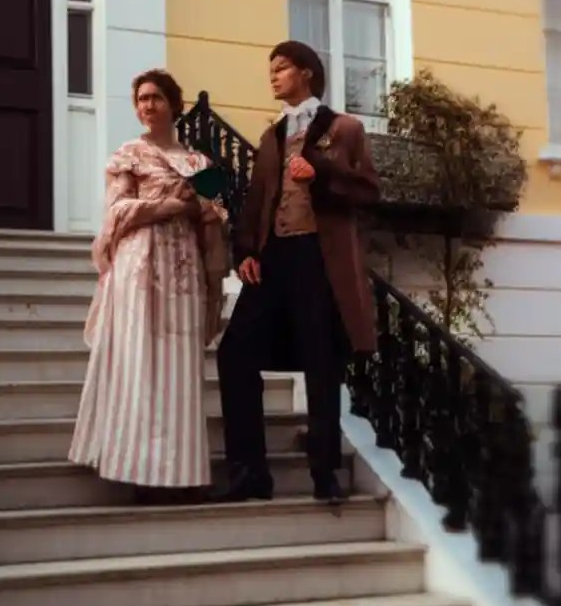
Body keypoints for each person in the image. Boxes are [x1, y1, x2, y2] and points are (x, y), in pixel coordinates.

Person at [214, 41, 380, 505]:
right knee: (234, 353)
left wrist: (321, 172)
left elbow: (368, 189)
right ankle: (250, 472)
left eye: (281, 68)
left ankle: (325, 474)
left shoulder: (345, 128)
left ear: (306, 73)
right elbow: (256, 199)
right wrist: (245, 250)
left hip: (318, 257)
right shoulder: (271, 136)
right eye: (271, 69)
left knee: (321, 361)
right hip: (274, 258)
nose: (273, 76)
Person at [68, 69, 229, 505]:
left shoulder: (200, 162)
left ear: (174, 105)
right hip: (139, 267)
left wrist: (206, 211)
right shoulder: (128, 154)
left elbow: (219, 216)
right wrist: (168, 205)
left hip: (183, 269)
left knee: (179, 367)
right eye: (141, 98)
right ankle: (138, 470)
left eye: (156, 97)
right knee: (141, 362)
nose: (147, 105)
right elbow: (115, 211)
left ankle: (182, 473)